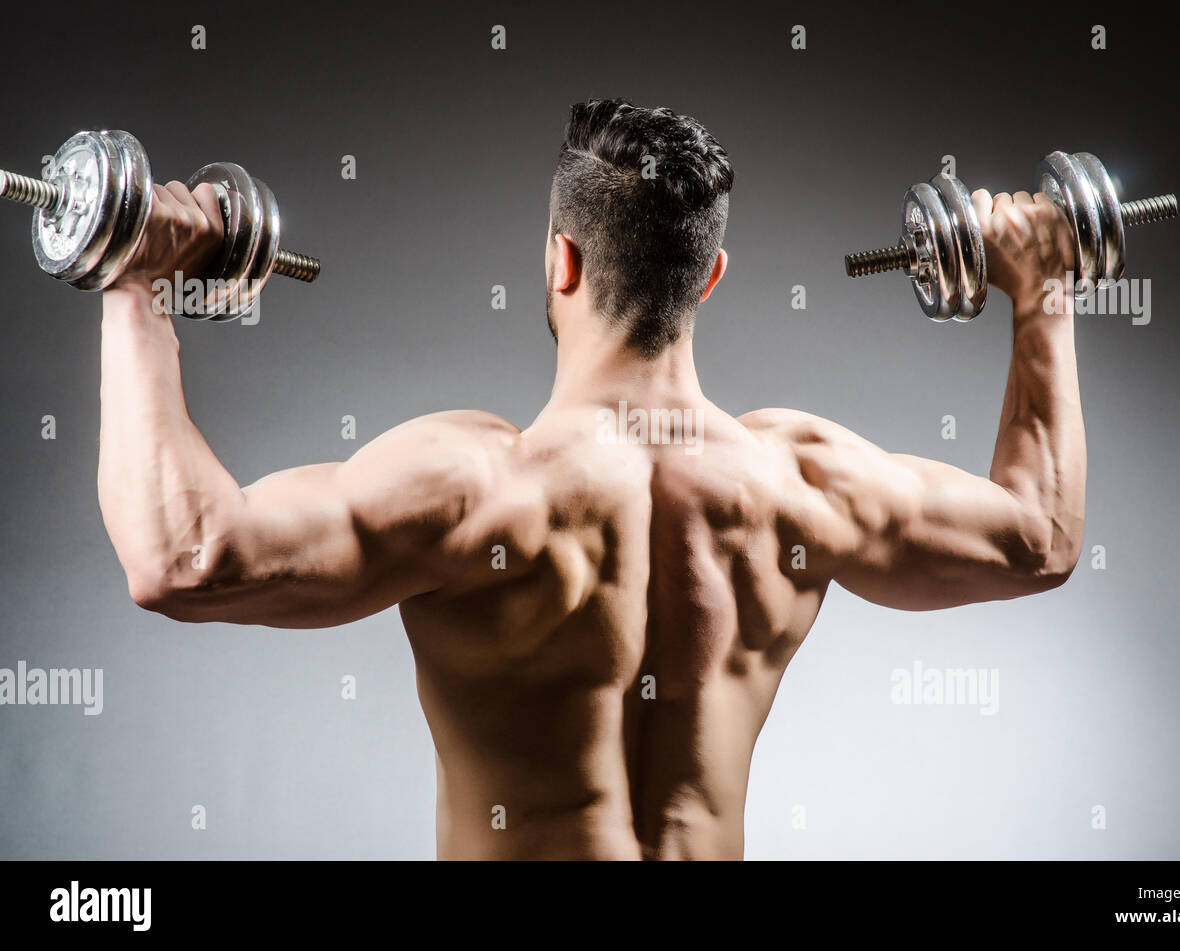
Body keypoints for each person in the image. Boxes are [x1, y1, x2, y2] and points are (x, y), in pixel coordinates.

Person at [98, 98, 1084, 859]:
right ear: (708, 277)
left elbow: (184, 557)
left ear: (560, 261)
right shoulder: (800, 484)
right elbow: (1039, 539)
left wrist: (138, 281)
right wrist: (1041, 289)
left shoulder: (475, 487)